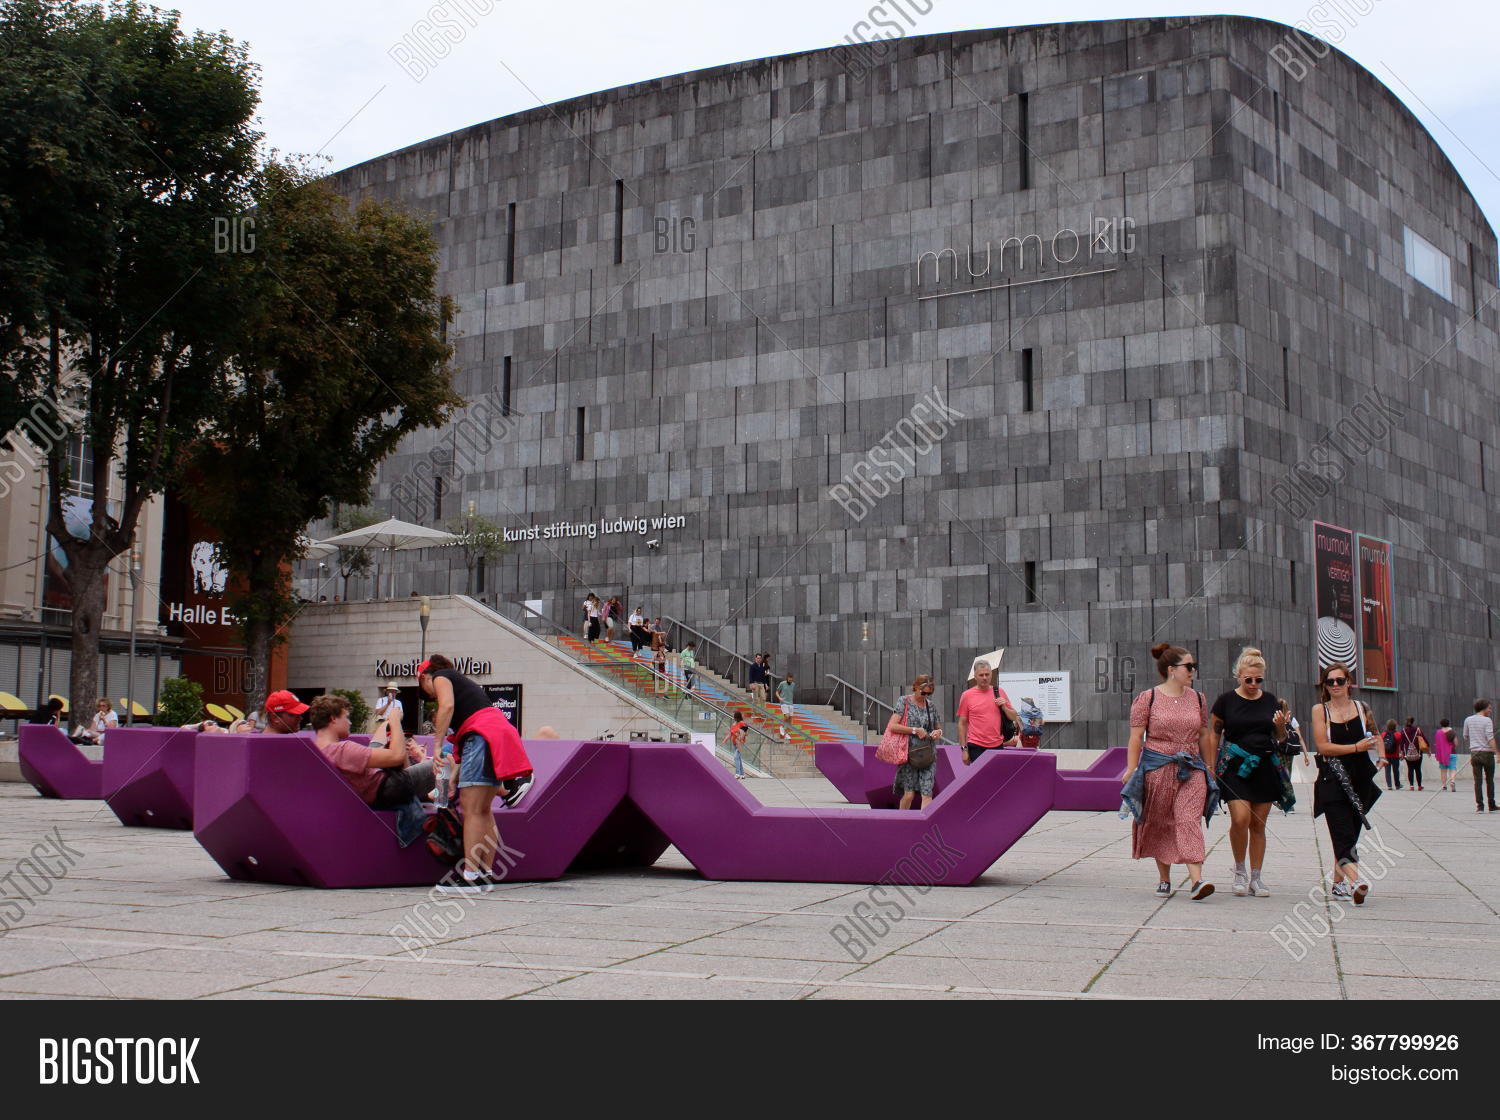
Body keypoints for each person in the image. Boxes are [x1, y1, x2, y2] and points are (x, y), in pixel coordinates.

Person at [419, 654, 533, 891]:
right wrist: (453, 779)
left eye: (424, 687)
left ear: (425, 676)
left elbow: (446, 706)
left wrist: (437, 745)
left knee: (471, 810)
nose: (429, 694)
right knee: (483, 810)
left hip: (481, 736)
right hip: (495, 735)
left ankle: (470, 875)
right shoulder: (464, 685)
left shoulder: (441, 676)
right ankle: (484, 873)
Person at [1120, 643, 1217, 901]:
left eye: (1194, 666)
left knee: (1188, 819)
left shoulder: (1198, 698)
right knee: (1161, 822)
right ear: (1172, 670)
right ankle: (1164, 878)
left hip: (1192, 768)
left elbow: (1205, 735)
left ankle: (1196, 881)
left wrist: (1210, 767)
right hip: (1157, 768)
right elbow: (1136, 737)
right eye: (1189, 666)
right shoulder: (1148, 698)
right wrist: (1131, 768)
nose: (1193, 670)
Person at [1209, 648, 1292, 898]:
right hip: (1235, 766)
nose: (1254, 684)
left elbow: (1280, 737)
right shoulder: (1225, 701)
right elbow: (1214, 734)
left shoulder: (1270, 700)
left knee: (1258, 824)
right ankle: (1239, 871)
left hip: (1265, 766)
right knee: (1240, 818)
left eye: (1259, 680)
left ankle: (1256, 877)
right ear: (1238, 677)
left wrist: (1280, 728)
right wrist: (1211, 766)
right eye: (1249, 680)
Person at [1310, 662, 1383, 902]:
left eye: (1339, 681)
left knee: (1349, 833)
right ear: (1325, 685)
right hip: (1333, 778)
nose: (1335, 685)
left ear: (1348, 683)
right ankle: (1357, 881)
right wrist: (1355, 747)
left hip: (1360, 778)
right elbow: (1322, 746)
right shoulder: (1320, 710)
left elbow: (1375, 733)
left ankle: (1339, 884)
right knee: (1341, 832)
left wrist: (1381, 757)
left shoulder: (1362, 708)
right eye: (1329, 682)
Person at [309, 694, 433, 809]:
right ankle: (438, 797)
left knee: (377, 741)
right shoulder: (342, 749)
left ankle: (385, 723)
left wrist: (387, 723)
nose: (350, 722)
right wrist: (395, 720)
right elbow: (397, 756)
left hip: (371, 788)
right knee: (445, 762)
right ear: (333, 719)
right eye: (346, 717)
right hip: (387, 788)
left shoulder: (316, 752)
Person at [889, 673, 942, 810]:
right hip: (909, 754)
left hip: (928, 754)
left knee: (927, 794)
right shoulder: (904, 701)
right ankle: (902, 823)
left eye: (928, 694)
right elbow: (892, 726)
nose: (925, 696)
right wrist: (914, 730)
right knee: (909, 794)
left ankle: (923, 826)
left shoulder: (931, 706)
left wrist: (938, 733)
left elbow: (938, 727)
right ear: (916, 687)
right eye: (923, 692)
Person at [956, 659, 1016, 765]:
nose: (984, 678)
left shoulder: (999, 692)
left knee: (996, 780)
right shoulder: (967, 695)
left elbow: (1013, 717)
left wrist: (1004, 707)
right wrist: (964, 750)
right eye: (981, 675)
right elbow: (962, 724)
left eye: (987, 674)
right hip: (976, 745)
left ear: (991, 675)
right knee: (981, 780)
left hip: (997, 745)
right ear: (975, 676)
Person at [1464, 700, 1497, 812]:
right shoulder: (1487, 720)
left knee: (1477, 781)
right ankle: (1491, 805)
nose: (1490, 710)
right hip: (1487, 753)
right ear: (1483, 708)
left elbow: (1465, 736)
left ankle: (1480, 806)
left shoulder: (1468, 719)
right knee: (1489, 780)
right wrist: (1497, 753)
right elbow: (1490, 738)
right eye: (1489, 708)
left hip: (1475, 753)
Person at [1400, 716, 1427, 791]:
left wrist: (1402, 752)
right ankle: (1419, 786)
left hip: (1407, 753)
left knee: (1410, 769)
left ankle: (1411, 786)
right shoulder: (1418, 730)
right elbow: (1424, 739)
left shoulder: (1403, 731)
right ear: (1413, 721)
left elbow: (1401, 743)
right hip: (1418, 752)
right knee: (1418, 769)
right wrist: (1428, 749)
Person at [1433, 718, 1459, 792]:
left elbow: (1437, 744)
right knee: (1453, 769)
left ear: (1441, 724)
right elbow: (1456, 743)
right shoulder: (1452, 732)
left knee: (1443, 770)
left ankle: (1444, 786)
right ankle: (1452, 782)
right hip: (1452, 753)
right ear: (1448, 724)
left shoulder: (1438, 733)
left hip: (1443, 754)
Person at [1381, 719, 1403, 790]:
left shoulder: (1383, 734)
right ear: (1395, 726)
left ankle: (1389, 785)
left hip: (1386, 755)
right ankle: (1397, 785)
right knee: (1396, 770)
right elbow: (1400, 744)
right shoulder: (1398, 734)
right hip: (1395, 755)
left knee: (1387, 771)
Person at [728, 711, 749, 780]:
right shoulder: (734, 724)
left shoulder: (742, 723)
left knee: (736, 757)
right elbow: (731, 732)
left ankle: (737, 773)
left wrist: (740, 737)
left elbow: (746, 733)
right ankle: (742, 774)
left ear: (737, 717)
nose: (733, 718)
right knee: (738, 758)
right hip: (734, 743)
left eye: (734, 716)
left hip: (739, 743)